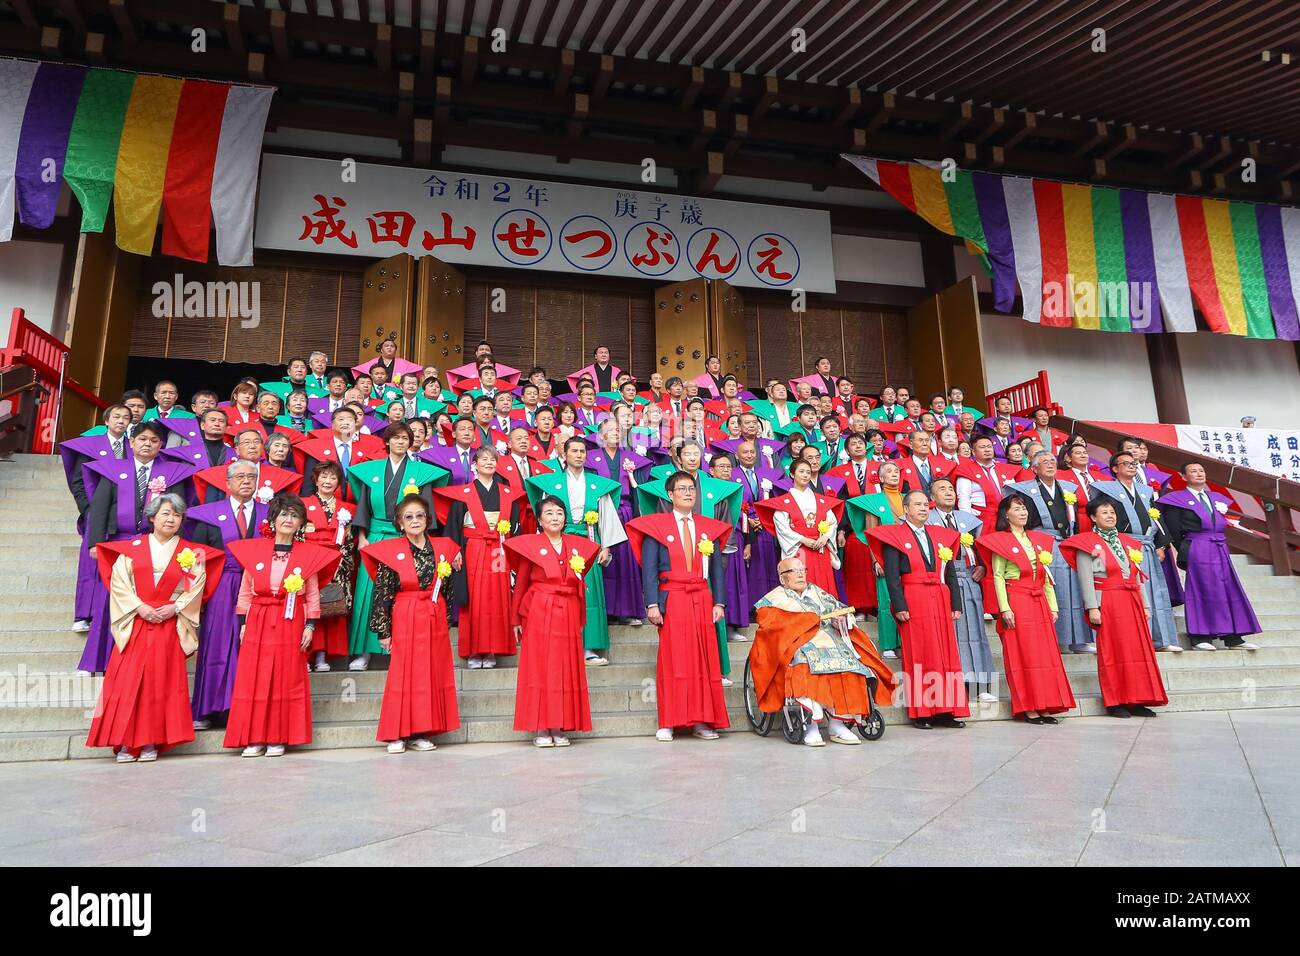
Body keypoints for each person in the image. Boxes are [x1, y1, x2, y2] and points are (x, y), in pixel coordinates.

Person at [86, 494, 223, 762]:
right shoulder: (132, 548)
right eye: (165, 513)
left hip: (169, 623)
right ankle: (125, 740)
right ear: (151, 517)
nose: (171, 519)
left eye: (177, 515)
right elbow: (119, 584)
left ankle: (151, 740)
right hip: (138, 620)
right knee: (126, 683)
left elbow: (196, 587)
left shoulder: (190, 552)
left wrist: (175, 607)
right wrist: (139, 607)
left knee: (161, 683)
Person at [223, 492, 341, 757]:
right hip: (259, 618)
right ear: (273, 519)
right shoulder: (255, 551)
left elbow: (311, 595)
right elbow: (245, 591)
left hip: (292, 619)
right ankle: (253, 738)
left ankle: (278, 737)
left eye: (294, 515)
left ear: (301, 523)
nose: (288, 519)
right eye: (283, 514)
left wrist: (310, 626)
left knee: (285, 677)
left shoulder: (308, 555)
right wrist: (243, 622)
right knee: (254, 678)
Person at [81, 422, 195, 674]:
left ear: (161, 445)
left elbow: (177, 511)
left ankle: (136, 658)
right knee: (110, 600)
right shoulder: (113, 469)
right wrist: (95, 542)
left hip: (154, 545)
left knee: (147, 598)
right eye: (142, 439)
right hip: (117, 542)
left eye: (154, 440)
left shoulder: (173, 473)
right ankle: (97, 661)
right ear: (131, 442)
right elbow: (99, 508)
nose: (147, 444)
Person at [626, 471, 731, 741]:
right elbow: (648, 569)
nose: (687, 493)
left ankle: (701, 721)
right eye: (681, 489)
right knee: (673, 661)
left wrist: (719, 601)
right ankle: (669, 722)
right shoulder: (657, 526)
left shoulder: (708, 526)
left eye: (691, 489)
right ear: (670, 495)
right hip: (672, 597)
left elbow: (717, 569)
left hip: (701, 597)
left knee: (704, 660)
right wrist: (651, 604)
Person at [750, 557, 897, 746]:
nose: (801, 574)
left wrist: (840, 620)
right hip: (798, 643)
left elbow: (841, 610)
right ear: (782, 578)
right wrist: (807, 622)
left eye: (803, 569)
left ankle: (837, 723)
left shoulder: (818, 592)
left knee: (852, 662)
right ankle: (811, 725)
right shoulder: (773, 599)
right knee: (804, 663)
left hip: (830, 639)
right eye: (794, 571)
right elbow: (771, 625)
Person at [361, 495, 460, 754]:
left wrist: (447, 619)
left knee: (430, 672)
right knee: (403, 674)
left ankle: (422, 731)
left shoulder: (442, 548)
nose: (415, 521)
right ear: (399, 523)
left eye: (419, 516)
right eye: (408, 517)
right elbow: (382, 591)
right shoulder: (391, 551)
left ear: (428, 520)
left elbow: (447, 588)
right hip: (405, 613)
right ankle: (397, 732)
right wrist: (384, 630)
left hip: (434, 614)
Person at [346, 422, 448, 671]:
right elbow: (363, 509)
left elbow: (426, 511)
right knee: (369, 592)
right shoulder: (371, 471)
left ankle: (400, 646)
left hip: (409, 539)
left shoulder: (420, 472)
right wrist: (361, 536)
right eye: (396, 438)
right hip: (375, 535)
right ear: (387, 441)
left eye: (405, 438)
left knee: (404, 592)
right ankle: (364, 650)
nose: (401, 442)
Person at [866, 490, 969, 730]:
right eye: (918, 504)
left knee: (946, 654)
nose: (923, 508)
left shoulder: (939, 535)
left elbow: (950, 571)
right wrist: (899, 606)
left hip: (939, 598)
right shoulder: (895, 536)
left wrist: (956, 603)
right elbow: (892, 576)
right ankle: (922, 712)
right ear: (905, 509)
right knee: (919, 653)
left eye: (926, 504)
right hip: (913, 597)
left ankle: (948, 710)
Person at [507, 496, 603, 747]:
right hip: (540, 607)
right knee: (540, 666)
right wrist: (516, 617)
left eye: (559, 513)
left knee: (565, 666)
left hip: (568, 609)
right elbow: (522, 584)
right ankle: (541, 726)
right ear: (539, 520)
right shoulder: (531, 546)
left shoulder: (576, 546)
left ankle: (560, 725)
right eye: (548, 513)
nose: (555, 517)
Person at [524, 436, 626, 666]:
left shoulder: (597, 484)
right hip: (560, 539)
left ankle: (589, 647)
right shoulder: (552, 484)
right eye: (574, 451)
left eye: (582, 451)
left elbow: (607, 515)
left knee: (588, 594)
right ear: (565, 454)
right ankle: (561, 644)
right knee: (561, 591)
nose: (579, 455)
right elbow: (546, 515)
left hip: (589, 540)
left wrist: (606, 546)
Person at [1061, 498, 1168, 718]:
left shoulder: (1127, 542)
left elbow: (1137, 576)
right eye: (1104, 513)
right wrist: (1092, 607)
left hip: (1131, 600)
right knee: (1113, 651)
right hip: (1107, 600)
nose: (1110, 516)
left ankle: (1138, 699)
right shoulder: (1087, 543)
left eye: (1112, 512)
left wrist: (1145, 604)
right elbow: (1086, 578)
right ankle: (1116, 701)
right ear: (1093, 517)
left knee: (1137, 650)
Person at [184, 460, 270, 729]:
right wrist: (193, 598)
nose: (246, 481)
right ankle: (208, 708)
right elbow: (197, 558)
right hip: (221, 584)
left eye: (251, 476)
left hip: (258, 586)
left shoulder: (270, 514)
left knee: (252, 646)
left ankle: (245, 710)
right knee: (217, 644)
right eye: (240, 476)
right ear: (227, 483)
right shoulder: (209, 515)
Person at [976, 494, 1076, 724]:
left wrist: (1053, 605)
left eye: (1024, 508)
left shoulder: (1036, 539)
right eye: (1017, 508)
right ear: (1006, 514)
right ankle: (1029, 706)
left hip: (1038, 598)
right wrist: (1005, 609)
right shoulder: (1001, 540)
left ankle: (1046, 704)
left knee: (1045, 655)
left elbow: (1045, 574)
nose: (1022, 512)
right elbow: (998, 576)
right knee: (1023, 654)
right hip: (1016, 600)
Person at [436, 447, 525, 669]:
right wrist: (454, 550)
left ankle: (493, 648)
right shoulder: (463, 493)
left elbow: (515, 525)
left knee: (498, 596)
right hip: (473, 547)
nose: (489, 463)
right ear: (474, 464)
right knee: (474, 597)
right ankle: (474, 650)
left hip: (498, 550)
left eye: (493, 459)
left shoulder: (507, 493)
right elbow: (454, 525)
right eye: (484, 459)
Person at [1158, 463, 1261, 651]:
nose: (1199, 474)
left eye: (1201, 471)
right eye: (1193, 471)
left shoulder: (1215, 498)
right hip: (1197, 546)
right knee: (1201, 589)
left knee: (1228, 588)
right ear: (1183, 476)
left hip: (1219, 547)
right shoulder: (1176, 499)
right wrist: (1187, 549)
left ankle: (1233, 636)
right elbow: (1173, 528)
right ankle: (1200, 636)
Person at [1092, 450, 1181, 653]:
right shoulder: (1107, 490)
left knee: (1155, 592)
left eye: (1133, 463)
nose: (1131, 466)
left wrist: (1160, 544)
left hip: (1147, 545)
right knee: (1132, 591)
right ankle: (1138, 638)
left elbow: (1156, 517)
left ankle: (1162, 638)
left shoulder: (1145, 490)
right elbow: (1103, 517)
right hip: (1123, 546)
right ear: (1115, 469)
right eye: (1126, 463)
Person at [1008, 451, 1093, 654]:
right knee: (1049, 588)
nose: (1050, 465)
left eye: (1052, 461)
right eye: (1044, 462)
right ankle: (1052, 637)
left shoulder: (1066, 488)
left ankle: (1078, 639)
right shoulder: (1026, 491)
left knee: (1072, 588)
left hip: (1066, 540)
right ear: (1034, 468)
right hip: (1040, 541)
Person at [60, 403, 134, 633]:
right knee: (90, 565)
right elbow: (78, 482)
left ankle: (110, 613)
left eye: (126, 418)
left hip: (125, 515)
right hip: (97, 513)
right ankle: (83, 614)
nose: (121, 421)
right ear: (106, 421)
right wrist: (88, 509)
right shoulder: (92, 446)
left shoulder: (134, 447)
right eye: (117, 417)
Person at [927, 476, 996, 702]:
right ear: (931, 497)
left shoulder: (967, 520)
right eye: (941, 489)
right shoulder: (927, 519)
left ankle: (981, 685)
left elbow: (982, 549)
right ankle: (954, 684)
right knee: (949, 633)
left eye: (950, 488)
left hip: (968, 577)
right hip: (942, 579)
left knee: (975, 631)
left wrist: (982, 567)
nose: (948, 492)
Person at [755, 459, 842, 596]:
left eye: (808, 472)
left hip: (820, 548)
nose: (806, 475)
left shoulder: (821, 500)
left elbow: (832, 522)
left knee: (825, 584)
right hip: (799, 550)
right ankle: (804, 616)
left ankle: (827, 616)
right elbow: (782, 528)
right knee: (801, 582)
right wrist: (803, 539)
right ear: (792, 474)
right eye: (801, 471)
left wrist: (825, 537)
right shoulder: (783, 502)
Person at [844, 460, 904, 659]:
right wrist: (875, 560)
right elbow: (871, 534)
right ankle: (888, 643)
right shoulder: (874, 501)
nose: (894, 474)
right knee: (887, 601)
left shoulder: (908, 498)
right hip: (884, 556)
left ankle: (904, 641)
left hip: (907, 556)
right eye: (889, 471)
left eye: (896, 471)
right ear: (880, 477)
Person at [300, 461, 355, 671]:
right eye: (323, 476)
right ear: (315, 479)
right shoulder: (302, 504)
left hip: (336, 562)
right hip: (309, 561)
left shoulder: (347, 509)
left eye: (333, 478)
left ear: (339, 483)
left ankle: (322, 655)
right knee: (307, 607)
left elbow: (349, 541)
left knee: (330, 606)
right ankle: (305, 655)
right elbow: (297, 535)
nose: (328, 481)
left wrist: (343, 558)